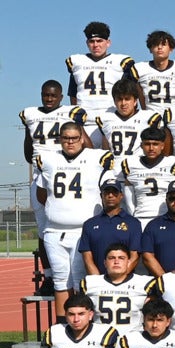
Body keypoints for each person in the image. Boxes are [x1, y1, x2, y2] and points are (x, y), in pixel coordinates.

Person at [35, 122, 115, 321]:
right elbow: (42, 194)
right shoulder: (47, 159)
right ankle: (63, 327)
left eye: (74, 138)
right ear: (59, 139)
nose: (70, 142)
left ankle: (83, 326)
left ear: (82, 138)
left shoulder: (97, 158)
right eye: (66, 138)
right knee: (61, 281)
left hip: (84, 230)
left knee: (82, 282)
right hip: (54, 230)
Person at [21, 80, 90, 295]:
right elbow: (28, 150)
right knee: (44, 230)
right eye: (45, 95)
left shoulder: (71, 113)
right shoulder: (30, 114)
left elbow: (86, 145)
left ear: (61, 97)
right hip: (42, 174)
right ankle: (49, 276)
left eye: (53, 96)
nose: (49, 99)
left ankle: (81, 278)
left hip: (66, 171)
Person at [66, 21, 135, 147]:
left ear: (108, 42)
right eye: (92, 41)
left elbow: (129, 93)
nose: (96, 45)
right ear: (87, 43)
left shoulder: (119, 63)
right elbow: (73, 94)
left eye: (99, 41)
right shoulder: (77, 63)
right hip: (86, 122)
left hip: (111, 120)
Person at [120, 126, 175, 228]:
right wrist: (133, 216)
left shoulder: (174, 163)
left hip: (167, 218)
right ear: (141, 145)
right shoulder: (130, 164)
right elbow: (129, 196)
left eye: (155, 144)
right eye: (147, 144)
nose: (151, 148)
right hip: (141, 217)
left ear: (162, 145)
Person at [79, 243, 152, 337]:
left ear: (129, 262)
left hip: (133, 342)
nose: (116, 261)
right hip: (100, 341)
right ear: (105, 262)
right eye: (111, 258)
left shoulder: (145, 283)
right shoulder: (90, 283)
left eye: (121, 258)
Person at [95, 78, 163, 172]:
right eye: (119, 99)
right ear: (114, 101)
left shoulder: (148, 118)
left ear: (135, 101)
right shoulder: (105, 119)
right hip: (114, 171)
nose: (123, 103)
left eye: (127, 99)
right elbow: (106, 148)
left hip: (138, 170)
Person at [78, 179, 142, 275]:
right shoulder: (89, 224)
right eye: (107, 192)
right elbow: (87, 259)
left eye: (114, 192)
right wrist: (100, 281)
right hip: (98, 283)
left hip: (125, 281)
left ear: (121, 196)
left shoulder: (133, 223)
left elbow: (134, 256)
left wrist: (119, 278)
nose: (110, 195)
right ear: (101, 196)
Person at [131, 30, 175, 113]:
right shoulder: (140, 69)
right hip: (150, 118)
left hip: (174, 118)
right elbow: (139, 95)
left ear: (171, 48)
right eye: (156, 44)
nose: (159, 47)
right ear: (150, 49)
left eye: (163, 44)